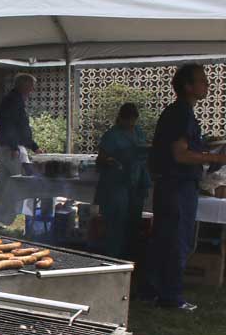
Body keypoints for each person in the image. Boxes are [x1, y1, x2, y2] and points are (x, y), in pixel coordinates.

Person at [143, 64, 226, 310]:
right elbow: (180, 155)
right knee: (176, 241)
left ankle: (151, 291)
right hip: (177, 185)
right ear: (188, 87)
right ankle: (171, 297)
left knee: (164, 238)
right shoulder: (180, 114)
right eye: (202, 81)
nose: (207, 85)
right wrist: (215, 159)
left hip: (175, 184)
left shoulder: (180, 112)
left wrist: (207, 153)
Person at [94, 103, 150, 260]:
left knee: (133, 221)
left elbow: (143, 149)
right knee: (116, 221)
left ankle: (130, 257)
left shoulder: (138, 131)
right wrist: (112, 161)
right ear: (121, 118)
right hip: (116, 183)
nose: (131, 124)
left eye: (134, 121)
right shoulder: (112, 135)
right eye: (128, 121)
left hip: (136, 182)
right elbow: (101, 159)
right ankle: (113, 258)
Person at [0, 73, 42, 231]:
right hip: (12, 148)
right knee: (22, 183)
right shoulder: (13, 100)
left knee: (2, 183)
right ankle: (15, 220)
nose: (32, 90)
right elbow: (8, 124)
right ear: (23, 85)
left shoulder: (14, 99)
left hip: (8, 147)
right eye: (31, 86)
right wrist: (13, 146)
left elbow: (18, 126)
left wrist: (33, 146)